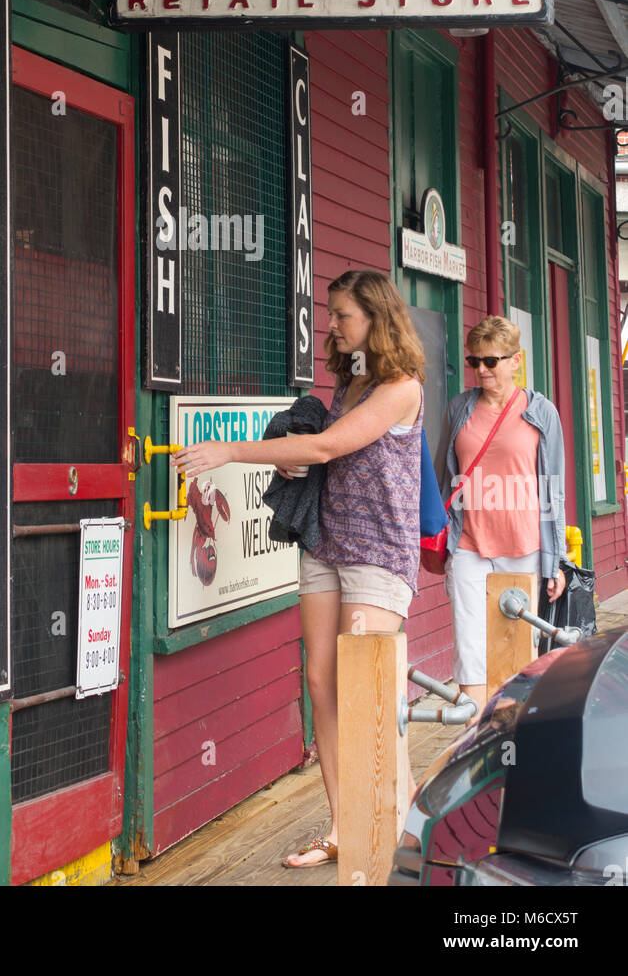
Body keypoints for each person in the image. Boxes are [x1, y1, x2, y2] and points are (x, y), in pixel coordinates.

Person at [172, 270, 425, 869]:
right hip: (324, 542)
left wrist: (231, 452)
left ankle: (399, 814)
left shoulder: (400, 386)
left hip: (378, 550)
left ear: (376, 319)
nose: (331, 326)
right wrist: (291, 468)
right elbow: (322, 456)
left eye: (342, 316)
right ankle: (343, 825)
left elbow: (326, 448)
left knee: (369, 687)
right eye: (331, 315)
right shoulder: (352, 382)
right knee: (322, 683)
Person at [440, 315, 566, 711]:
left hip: (524, 545)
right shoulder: (459, 409)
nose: (481, 370)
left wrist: (556, 559)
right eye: (473, 361)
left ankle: (513, 739)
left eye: (491, 361)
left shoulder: (540, 411)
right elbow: (445, 476)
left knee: (515, 650)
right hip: (468, 544)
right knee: (470, 649)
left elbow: (553, 489)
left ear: (516, 361)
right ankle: (478, 740)